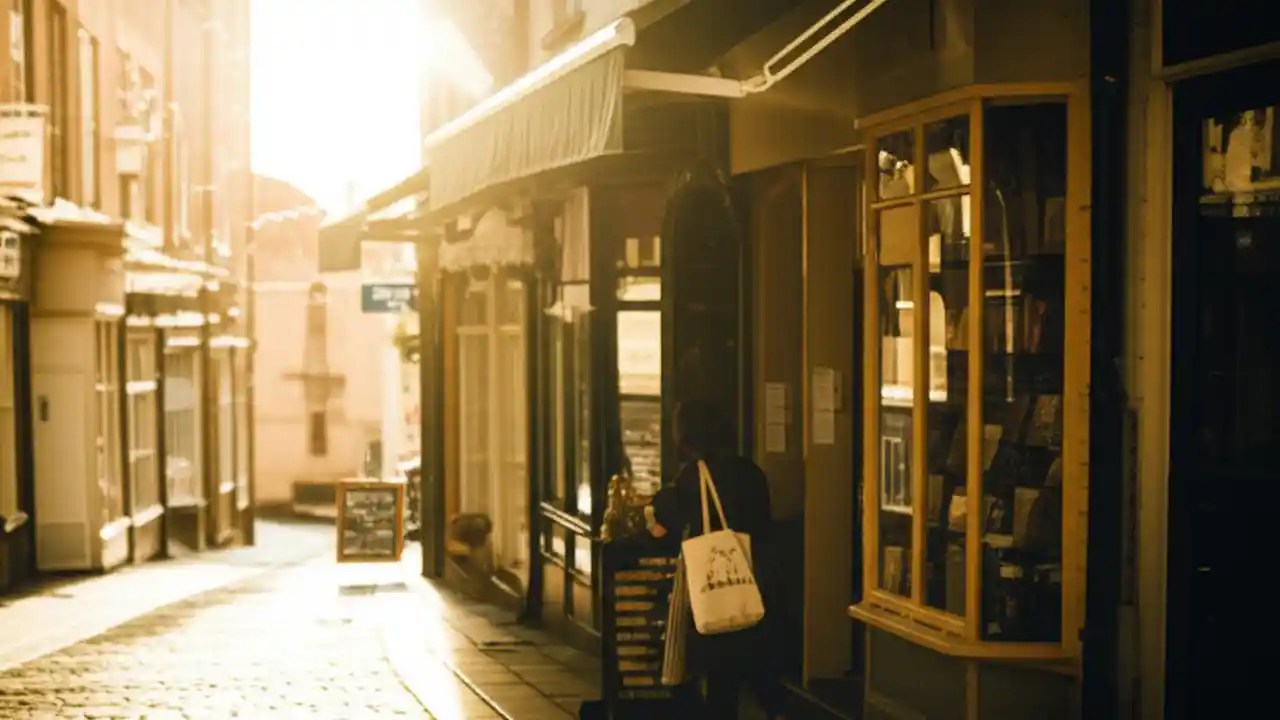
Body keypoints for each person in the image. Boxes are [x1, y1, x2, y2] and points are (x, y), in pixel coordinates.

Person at [648, 399, 787, 720]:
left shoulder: (693, 479)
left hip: (715, 589)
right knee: (758, 668)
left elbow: (659, 527)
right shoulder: (752, 473)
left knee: (720, 679)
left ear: (687, 437)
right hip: (758, 584)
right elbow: (764, 524)